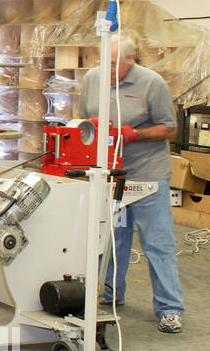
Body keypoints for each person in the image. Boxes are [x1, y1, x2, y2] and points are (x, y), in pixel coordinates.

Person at [79, 35, 185, 333]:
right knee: (113, 238)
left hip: (147, 174)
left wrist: (135, 134)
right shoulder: (93, 79)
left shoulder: (152, 84)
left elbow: (169, 128)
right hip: (110, 173)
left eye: (114, 64)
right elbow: (84, 119)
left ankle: (170, 308)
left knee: (157, 242)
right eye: (104, 62)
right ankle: (111, 294)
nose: (108, 70)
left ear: (131, 60)